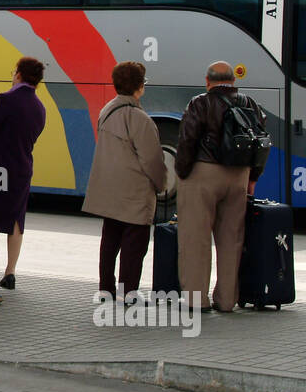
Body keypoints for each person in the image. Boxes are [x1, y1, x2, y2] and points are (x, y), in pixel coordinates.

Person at [174, 60, 268, 312]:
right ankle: (227, 300)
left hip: (203, 174)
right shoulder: (250, 104)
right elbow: (260, 142)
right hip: (238, 176)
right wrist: (252, 177)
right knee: (231, 240)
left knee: (196, 239)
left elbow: (187, 140)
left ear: (207, 81)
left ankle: (197, 299)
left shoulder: (199, 103)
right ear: (233, 82)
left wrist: (182, 173)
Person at [82, 61, 167, 304]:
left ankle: (105, 289)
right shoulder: (140, 119)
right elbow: (152, 160)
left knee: (110, 241)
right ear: (140, 87)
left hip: (110, 188)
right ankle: (129, 291)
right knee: (134, 245)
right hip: (135, 192)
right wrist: (161, 184)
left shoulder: (107, 110)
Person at [0, 56, 47, 292]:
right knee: (16, 220)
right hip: (23, 168)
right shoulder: (40, 107)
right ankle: (10, 273)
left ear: (19, 74)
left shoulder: (5, 100)